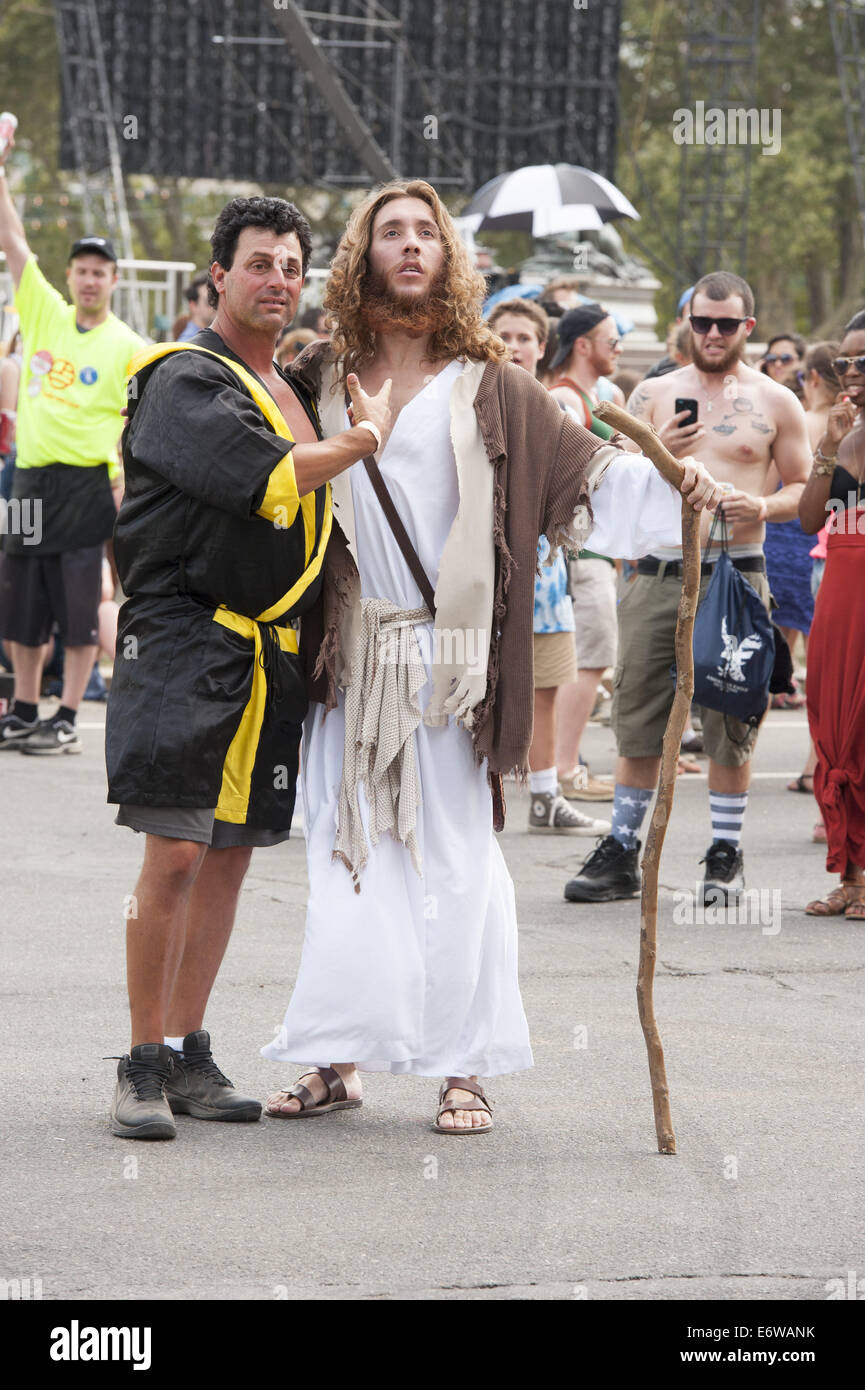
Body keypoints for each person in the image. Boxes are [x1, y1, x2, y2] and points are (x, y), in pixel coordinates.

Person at [260, 179, 722, 1133]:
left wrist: (683, 489)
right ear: (364, 258)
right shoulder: (317, 376)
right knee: (345, 856)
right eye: (390, 232)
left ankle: (461, 1067)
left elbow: (590, 477)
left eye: (427, 232)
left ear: (449, 259)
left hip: (459, 665)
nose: (411, 245)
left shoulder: (496, 388)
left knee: (459, 864)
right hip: (353, 654)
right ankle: (335, 1058)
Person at [104, 195, 393, 1140]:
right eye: (259, 263)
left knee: (228, 856)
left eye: (290, 266)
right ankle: (140, 1062)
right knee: (178, 850)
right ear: (217, 275)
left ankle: (188, 1054)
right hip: (185, 638)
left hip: (268, 652)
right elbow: (261, 475)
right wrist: (357, 443)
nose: (277, 280)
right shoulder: (183, 378)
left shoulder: (292, 383)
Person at [564, 271, 811, 907]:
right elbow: (608, 477)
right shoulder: (652, 393)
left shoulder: (775, 401)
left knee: (732, 717)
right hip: (659, 573)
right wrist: (653, 451)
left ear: (746, 328)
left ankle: (724, 855)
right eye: (702, 321)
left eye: (726, 324)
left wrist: (761, 505)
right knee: (639, 715)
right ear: (689, 322)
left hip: (736, 574)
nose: (712, 334)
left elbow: (803, 491)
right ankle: (622, 848)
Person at [0, 122, 146, 756]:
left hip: (87, 485)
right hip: (31, 479)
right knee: (23, 604)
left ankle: (65, 717)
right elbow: (11, 239)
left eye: (100, 272)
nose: (89, 280)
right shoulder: (43, 311)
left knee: (81, 607)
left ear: (114, 281)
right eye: (81, 270)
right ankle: (26, 708)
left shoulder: (129, 346)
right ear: (69, 275)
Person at [486, 297, 609, 834]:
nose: (513, 346)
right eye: (503, 335)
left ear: (542, 347)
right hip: (484, 574)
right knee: (475, 684)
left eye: (523, 337)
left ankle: (543, 796)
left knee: (547, 684)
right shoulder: (471, 402)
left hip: (545, 576)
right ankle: (472, 800)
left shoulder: (554, 411)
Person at [800, 315, 865, 919]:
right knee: (834, 727)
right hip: (840, 596)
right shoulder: (842, 437)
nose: (850, 373)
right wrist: (825, 448)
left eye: (861, 363)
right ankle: (850, 877)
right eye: (844, 363)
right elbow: (808, 521)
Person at [547, 304, 624, 803]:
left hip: (597, 552)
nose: (617, 348)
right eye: (610, 340)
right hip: (581, 554)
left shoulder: (597, 397)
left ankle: (562, 765)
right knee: (588, 661)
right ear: (583, 345)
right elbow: (569, 477)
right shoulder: (564, 399)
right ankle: (564, 768)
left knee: (587, 659)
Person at [176, 270, 216, 341]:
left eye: (217, 300)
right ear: (193, 306)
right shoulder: (188, 345)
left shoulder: (208, 338)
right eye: (209, 301)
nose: (215, 306)